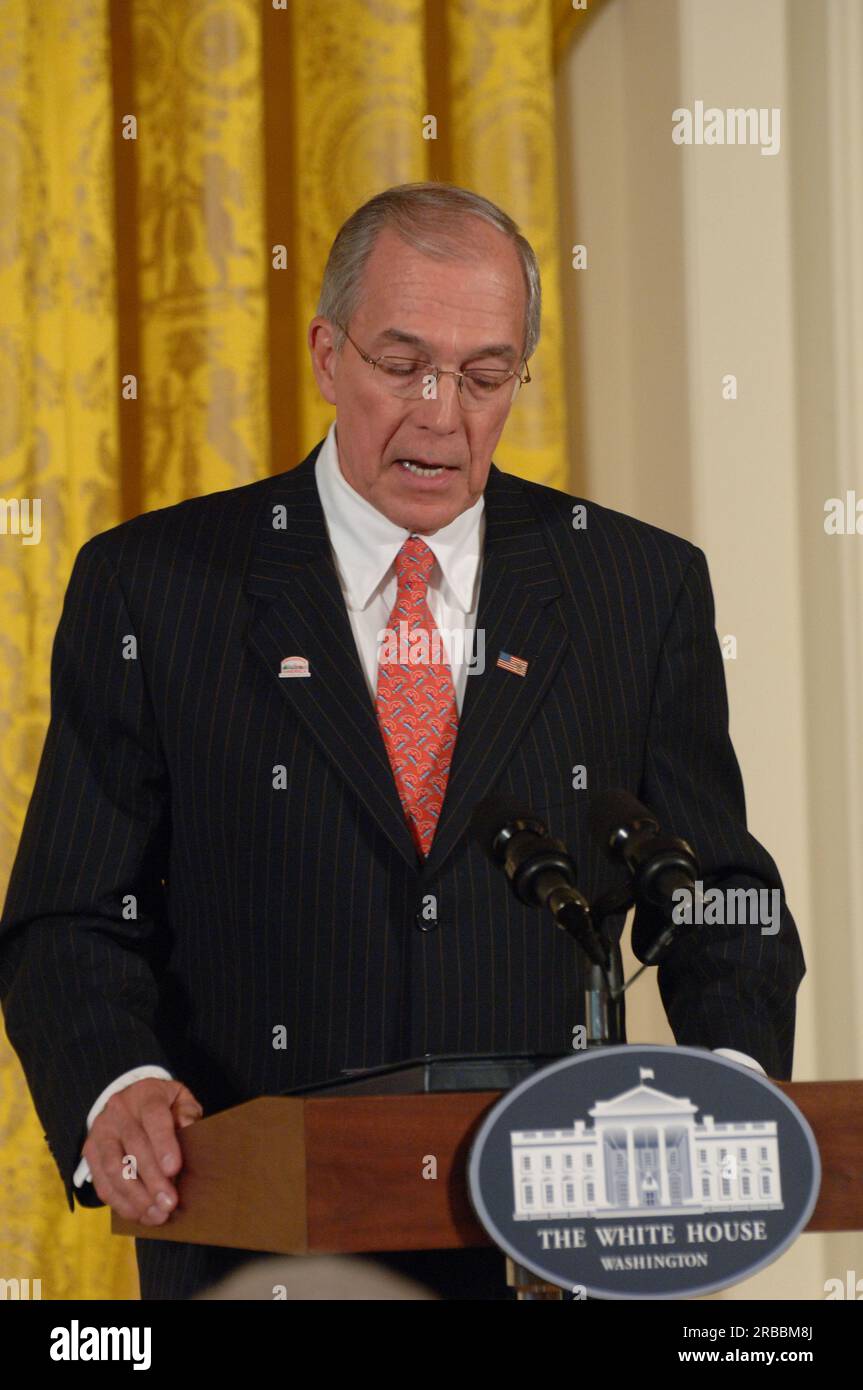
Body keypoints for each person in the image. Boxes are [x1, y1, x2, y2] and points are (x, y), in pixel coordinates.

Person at [0, 182, 805, 1301]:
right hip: (260, 1246)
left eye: (484, 376)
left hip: (549, 1249)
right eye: (401, 363)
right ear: (327, 354)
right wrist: (116, 1079)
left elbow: (716, 892)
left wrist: (729, 1088)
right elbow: (69, 914)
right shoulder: (156, 586)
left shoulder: (633, 586)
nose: (441, 413)